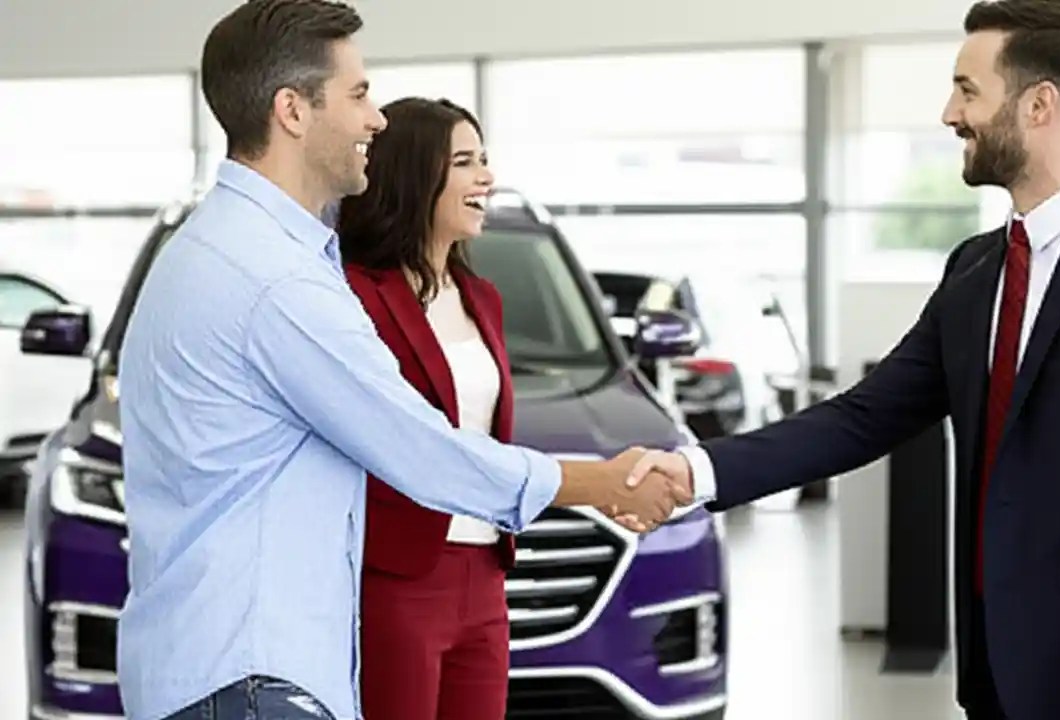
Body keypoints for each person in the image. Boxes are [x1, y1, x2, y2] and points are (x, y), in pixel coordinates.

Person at [630, 1, 1060, 719]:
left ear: (1040, 104)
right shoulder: (975, 270)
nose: (950, 113)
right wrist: (697, 470)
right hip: (996, 676)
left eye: (968, 89)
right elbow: (864, 416)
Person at [115, 3, 684, 720]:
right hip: (251, 682)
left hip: (213, 672)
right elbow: (421, 451)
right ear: (292, 110)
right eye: (357, 94)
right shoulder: (275, 281)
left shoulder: (215, 249)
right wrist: (602, 481)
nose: (376, 120)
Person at [334, 97, 515, 720]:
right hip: (399, 579)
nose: (485, 177)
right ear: (415, 176)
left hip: (484, 572)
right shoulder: (355, 295)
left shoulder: (482, 298)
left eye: (484, 160)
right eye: (464, 161)